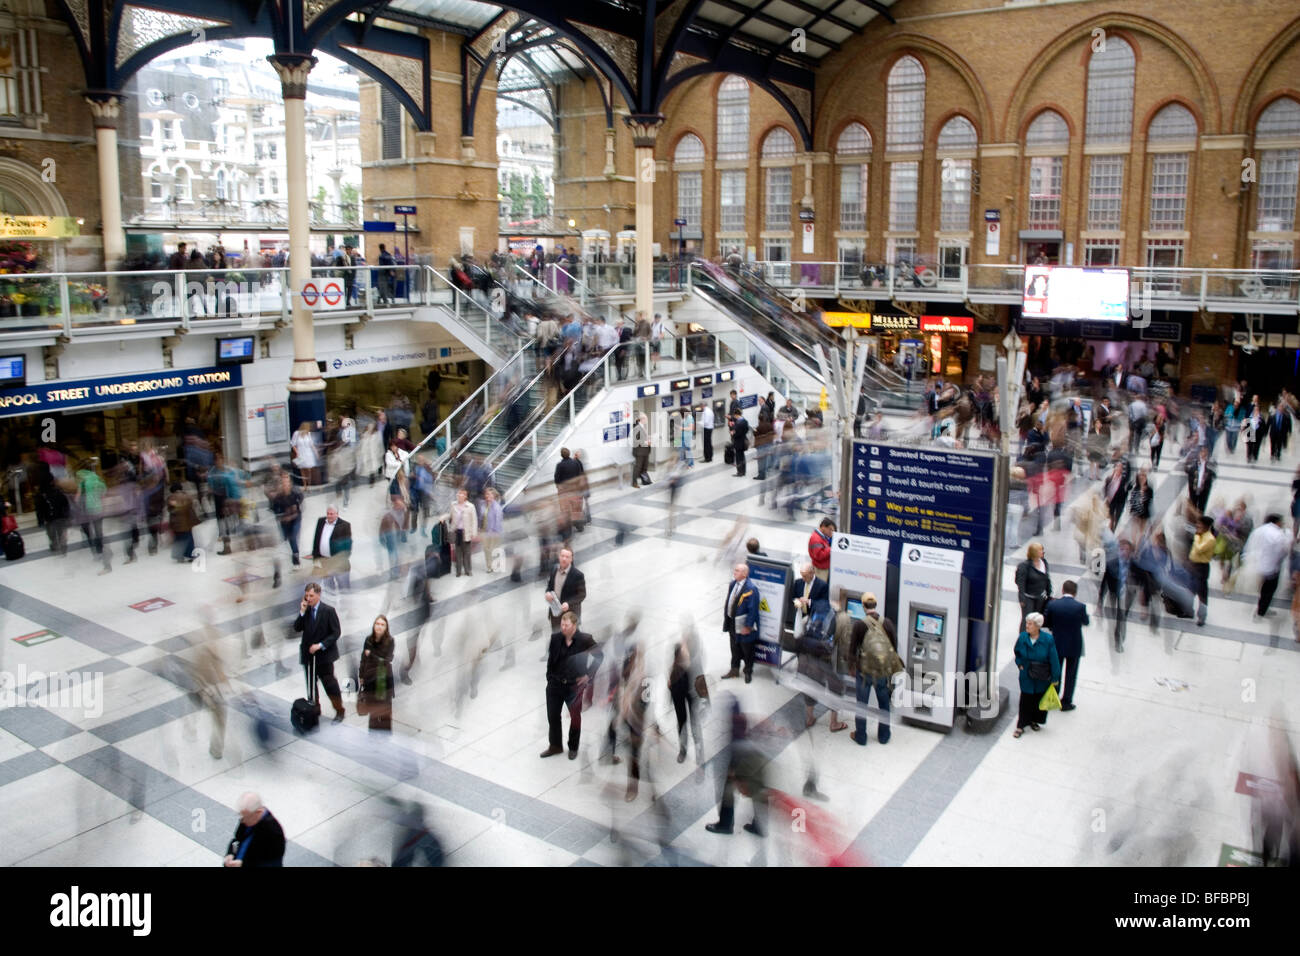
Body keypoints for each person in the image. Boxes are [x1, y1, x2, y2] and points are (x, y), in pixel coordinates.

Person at [540, 611, 603, 759]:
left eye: (566, 625)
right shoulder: (555, 639)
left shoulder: (585, 640)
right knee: (553, 716)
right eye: (562, 624)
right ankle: (555, 746)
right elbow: (551, 660)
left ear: (574, 625)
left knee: (575, 717)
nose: (563, 628)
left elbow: (600, 656)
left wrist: (588, 674)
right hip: (555, 685)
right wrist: (549, 678)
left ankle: (573, 747)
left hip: (573, 687)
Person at [792, 563, 846, 732]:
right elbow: (842, 641)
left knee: (811, 685)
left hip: (810, 657)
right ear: (844, 599)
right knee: (835, 689)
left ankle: (809, 717)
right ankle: (834, 722)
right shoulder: (843, 617)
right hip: (828, 659)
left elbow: (805, 625)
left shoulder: (819, 606)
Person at [849, 592, 902, 745]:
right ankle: (884, 736)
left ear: (863, 606)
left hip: (864, 672)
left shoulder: (859, 624)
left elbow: (852, 649)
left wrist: (852, 667)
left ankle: (861, 736)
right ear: (876, 605)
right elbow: (893, 647)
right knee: (884, 704)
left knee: (862, 705)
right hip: (882, 672)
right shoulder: (887, 623)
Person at [293, 582, 345, 723]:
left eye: (311, 595)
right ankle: (315, 709)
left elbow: (336, 632)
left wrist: (321, 645)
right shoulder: (306, 611)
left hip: (324, 657)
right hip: (308, 656)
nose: (308, 598)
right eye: (306, 596)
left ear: (318, 594)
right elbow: (297, 628)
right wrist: (302, 612)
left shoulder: (328, 611)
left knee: (330, 685)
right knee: (311, 686)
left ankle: (339, 710)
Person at [1012, 613, 1061, 738]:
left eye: (1030, 624)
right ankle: (1021, 725)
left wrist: (1055, 677)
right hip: (1027, 674)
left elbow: (1054, 659)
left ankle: (1034, 720)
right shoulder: (1023, 637)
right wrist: (1020, 664)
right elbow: (1017, 652)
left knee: (1038, 699)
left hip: (1042, 676)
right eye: (1027, 623)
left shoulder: (1048, 640)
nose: (1027, 626)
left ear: (1037, 626)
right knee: (1025, 699)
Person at [1043, 580, 1088, 712]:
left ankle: (1053, 698)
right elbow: (1086, 621)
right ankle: (1066, 701)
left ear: (1062, 590)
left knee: (1055, 672)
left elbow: (1047, 622)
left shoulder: (1053, 604)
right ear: (1075, 593)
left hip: (1057, 643)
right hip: (1074, 645)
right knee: (1071, 674)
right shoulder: (1080, 607)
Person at [668, 626, 705, 765]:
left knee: (695, 724)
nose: (685, 638)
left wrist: (704, 699)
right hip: (678, 690)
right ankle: (683, 749)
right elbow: (672, 669)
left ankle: (699, 753)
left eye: (688, 636)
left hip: (692, 690)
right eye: (684, 635)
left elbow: (700, 675)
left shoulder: (695, 655)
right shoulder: (677, 648)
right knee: (681, 721)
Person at [720, 562, 761, 684]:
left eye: (737, 570)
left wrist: (748, 626)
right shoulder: (733, 584)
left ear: (744, 574)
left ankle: (748, 671)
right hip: (732, 622)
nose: (734, 572)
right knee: (734, 647)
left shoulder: (751, 589)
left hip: (744, 626)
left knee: (747, 649)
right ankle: (734, 669)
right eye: (735, 570)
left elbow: (753, 610)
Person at [1245, 514, 1291, 619]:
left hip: (1259, 564)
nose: (1283, 524)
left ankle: (1262, 607)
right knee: (1269, 590)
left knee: (1263, 589)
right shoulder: (1277, 534)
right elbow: (1282, 551)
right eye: (1281, 522)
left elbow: (1251, 544)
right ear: (1277, 522)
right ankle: (1260, 612)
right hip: (1271, 567)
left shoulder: (1260, 530)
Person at [224, 792, 285, 867]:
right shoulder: (247, 820)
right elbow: (237, 840)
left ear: (258, 812)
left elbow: (271, 862)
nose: (243, 821)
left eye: (246, 817)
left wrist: (243, 864)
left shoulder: (274, 833)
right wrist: (231, 853)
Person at [357, 615, 395, 732]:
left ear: (386, 628)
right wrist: (361, 675)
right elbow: (363, 659)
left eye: (382, 625)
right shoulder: (368, 640)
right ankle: (373, 734)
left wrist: (371, 655)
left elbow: (387, 660)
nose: (379, 626)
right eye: (377, 624)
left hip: (383, 680)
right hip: (370, 679)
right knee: (373, 711)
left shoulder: (390, 641)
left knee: (385, 710)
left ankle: (385, 733)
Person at [309, 505, 352, 593]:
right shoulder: (321, 521)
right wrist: (316, 558)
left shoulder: (345, 525)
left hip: (339, 564)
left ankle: (345, 606)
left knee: (344, 589)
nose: (329, 516)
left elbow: (347, 548)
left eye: (332, 514)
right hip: (325, 563)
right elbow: (316, 540)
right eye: (328, 513)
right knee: (328, 588)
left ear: (337, 514)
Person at [544, 547, 586, 631]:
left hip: (570, 615)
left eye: (567, 557)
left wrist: (568, 604)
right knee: (556, 638)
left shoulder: (578, 575)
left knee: (571, 640)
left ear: (571, 559)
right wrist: (547, 592)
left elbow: (582, 595)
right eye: (562, 556)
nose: (564, 559)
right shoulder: (554, 569)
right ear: (559, 556)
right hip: (555, 614)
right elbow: (550, 586)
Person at [1014, 541, 1052, 630]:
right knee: (1027, 619)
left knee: (1036, 619)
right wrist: (1022, 598)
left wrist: (1049, 592)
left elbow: (1047, 578)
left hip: (1040, 597)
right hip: (1028, 597)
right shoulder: (1024, 566)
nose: (1043, 552)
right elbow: (1020, 582)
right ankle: (1023, 637)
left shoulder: (1044, 563)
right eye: (1041, 550)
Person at [1188, 514, 1216, 626]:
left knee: (1202, 593)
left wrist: (1196, 536)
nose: (1197, 525)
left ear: (1206, 526)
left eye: (1200, 524)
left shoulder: (1209, 539)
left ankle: (1202, 617)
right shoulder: (1200, 536)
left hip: (1201, 568)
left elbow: (1199, 549)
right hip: (1193, 565)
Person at [166, 482, 199, 563]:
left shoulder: (171, 497)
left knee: (178, 539)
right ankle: (191, 555)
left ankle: (179, 556)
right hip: (187, 521)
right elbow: (191, 507)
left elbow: (169, 509)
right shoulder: (187, 496)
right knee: (188, 538)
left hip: (176, 522)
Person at [448, 487, 478, 577]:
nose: (459, 495)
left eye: (461, 494)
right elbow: (450, 516)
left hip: (466, 532)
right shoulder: (453, 505)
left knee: (467, 552)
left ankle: (468, 570)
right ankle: (458, 571)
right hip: (457, 532)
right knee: (458, 552)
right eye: (458, 493)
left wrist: (474, 533)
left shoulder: (470, 506)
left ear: (465, 496)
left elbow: (474, 520)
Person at [479, 487, 504, 572]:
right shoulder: (483, 504)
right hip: (485, 530)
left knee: (493, 549)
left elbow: (498, 521)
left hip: (494, 531)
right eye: (486, 494)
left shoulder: (497, 507)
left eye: (490, 494)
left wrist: (495, 532)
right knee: (486, 549)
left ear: (494, 495)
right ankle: (489, 566)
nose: (487, 496)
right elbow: (481, 517)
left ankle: (496, 564)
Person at [1186, 445, 1215, 515]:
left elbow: (1214, 474)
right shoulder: (1194, 463)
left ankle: (1200, 518)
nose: (1203, 454)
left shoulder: (1210, 464)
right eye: (1202, 452)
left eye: (1205, 452)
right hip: (1193, 488)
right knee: (1193, 505)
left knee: (1201, 507)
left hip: (1204, 490)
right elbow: (1188, 471)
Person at [291, 422, 319, 488]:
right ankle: (305, 485)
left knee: (308, 470)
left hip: (308, 453)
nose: (309, 429)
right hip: (301, 453)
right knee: (302, 470)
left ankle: (309, 484)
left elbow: (312, 445)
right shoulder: (296, 433)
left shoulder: (308, 434)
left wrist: (316, 453)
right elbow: (293, 444)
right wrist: (297, 452)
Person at [808, 516, 835, 582]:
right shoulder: (816, 539)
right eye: (830, 529)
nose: (831, 532)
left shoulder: (822, 537)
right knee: (820, 588)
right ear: (823, 526)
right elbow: (819, 555)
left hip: (823, 568)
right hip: (820, 570)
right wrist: (830, 549)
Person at [631, 413, 652, 488]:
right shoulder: (637, 428)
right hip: (639, 451)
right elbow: (636, 441)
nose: (646, 420)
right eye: (646, 419)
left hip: (645, 450)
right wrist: (646, 442)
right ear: (642, 419)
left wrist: (649, 438)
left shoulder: (642, 427)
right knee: (638, 467)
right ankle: (634, 483)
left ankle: (645, 480)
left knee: (644, 466)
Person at [729, 409, 750, 476]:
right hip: (743, 441)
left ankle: (740, 472)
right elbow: (746, 430)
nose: (734, 417)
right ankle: (743, 471)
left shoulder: (738, 423)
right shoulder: (745, 421)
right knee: (742, 457)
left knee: (738, 458)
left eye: (735, 415)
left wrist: (732, 433)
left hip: (738, 442)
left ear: (736, 415)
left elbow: (737, 433)